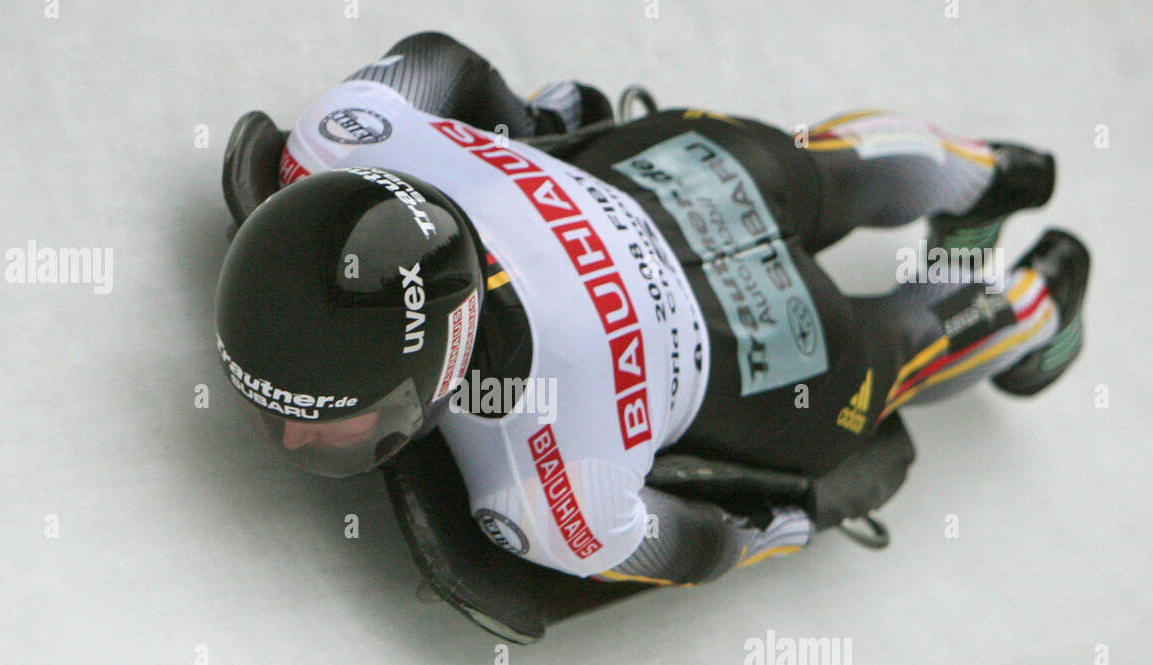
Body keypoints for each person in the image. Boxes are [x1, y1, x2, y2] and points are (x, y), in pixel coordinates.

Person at [215, 31, 1088, 594]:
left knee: (897, 352)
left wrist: (779, 529)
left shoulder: (544, 488)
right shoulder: (339, 138)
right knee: (826, 165)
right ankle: (995, 171)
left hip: (765, 357)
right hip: (688, 170)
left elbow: (685, 547)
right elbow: (445, 59)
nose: (291, 436)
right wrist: (527, 120)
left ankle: (1040, 300)